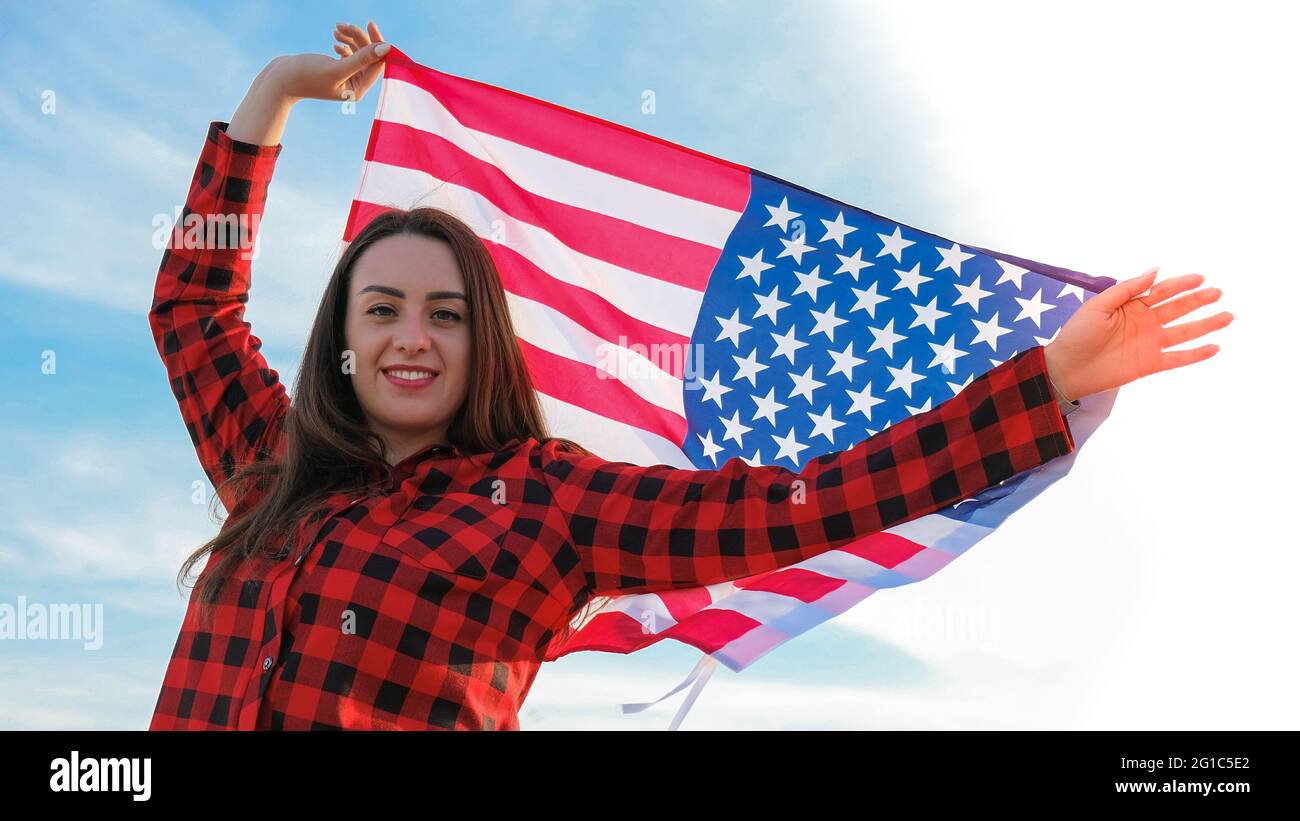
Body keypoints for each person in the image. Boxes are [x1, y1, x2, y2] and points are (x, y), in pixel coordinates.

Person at [146, 21, 1234, 730]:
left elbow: (813, 504)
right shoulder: (270, 473)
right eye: (379, 309)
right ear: (342, 335)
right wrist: (272, 96)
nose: (410, 336)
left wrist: (1038, 383)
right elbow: (194, 307)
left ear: (486, 343)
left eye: (447, 312)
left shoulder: (547, 502)